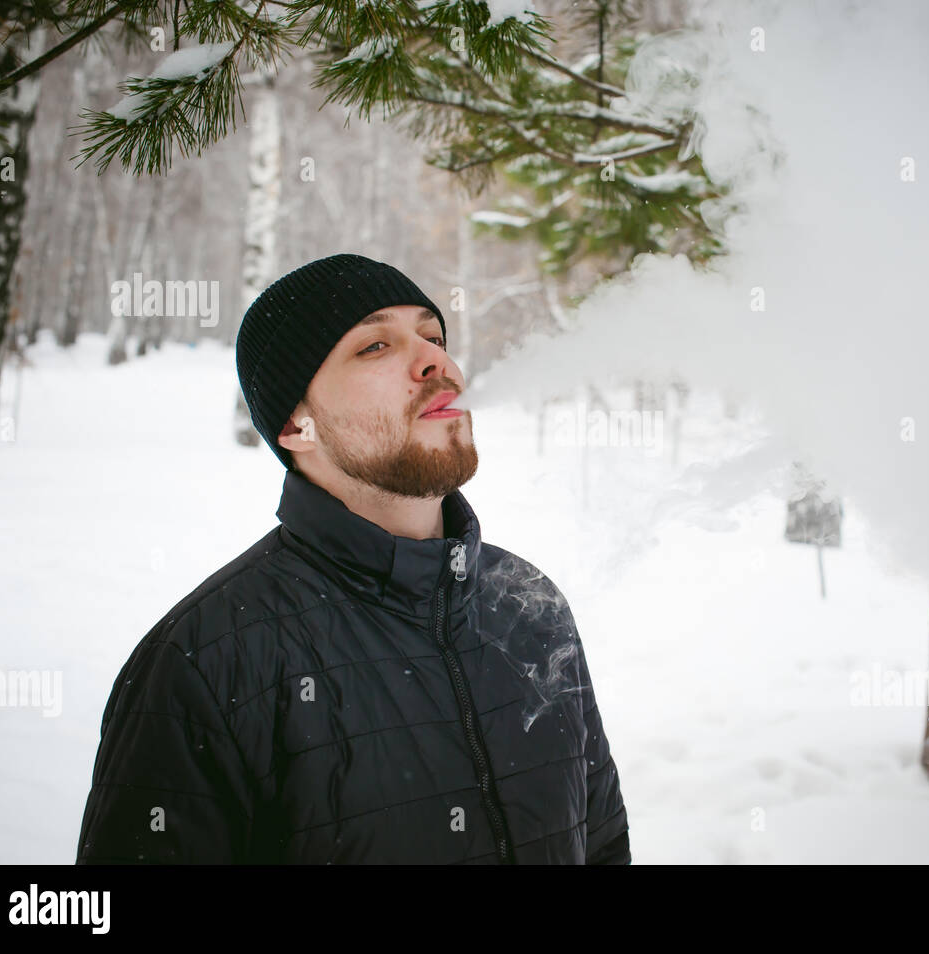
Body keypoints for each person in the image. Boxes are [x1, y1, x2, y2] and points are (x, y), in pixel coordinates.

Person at [75, 253, 630, 864]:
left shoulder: (530, 606)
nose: (437, 362)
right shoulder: (206, 663)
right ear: (296, 426)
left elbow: (602, 846)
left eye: (433, 336)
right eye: (374, 346)